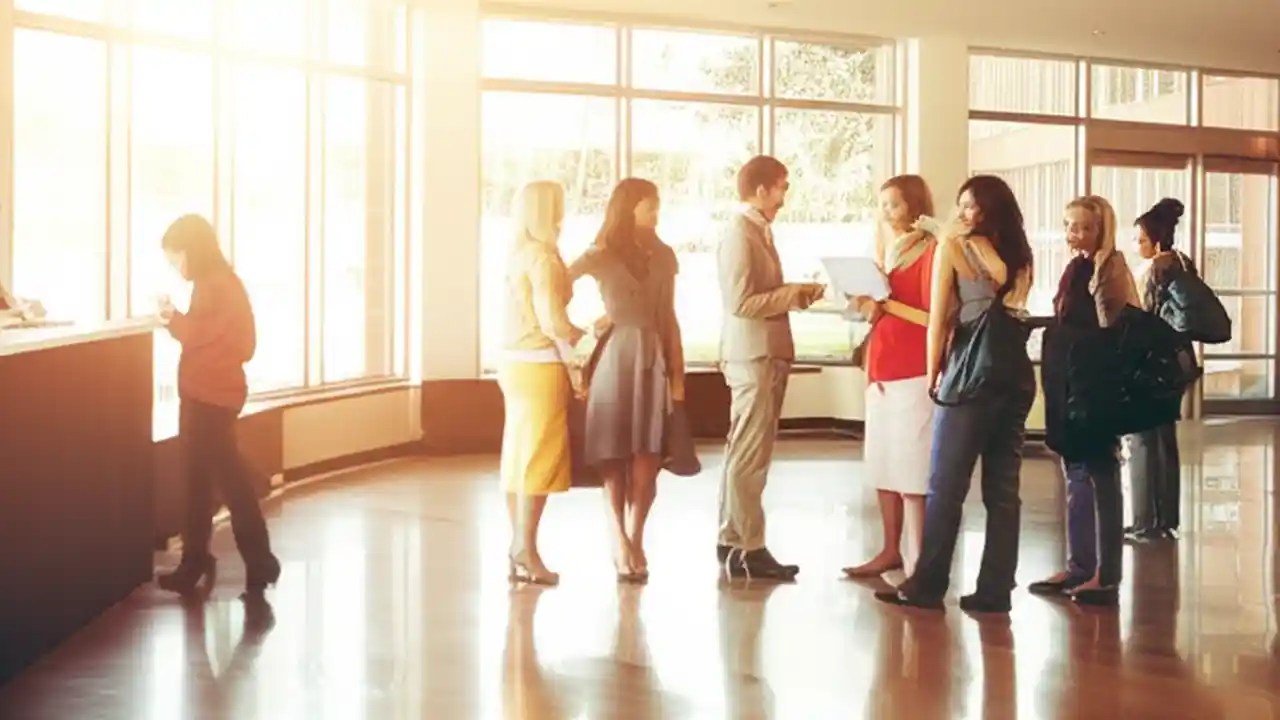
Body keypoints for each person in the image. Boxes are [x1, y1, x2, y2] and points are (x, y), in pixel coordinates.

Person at [875, 175, 1035, 613]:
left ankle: (986, 588)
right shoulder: (953, 248)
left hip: (989, 375)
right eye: (961, 206)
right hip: (978, 369)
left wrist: (971, 241)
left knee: (971, 485)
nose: (964, 215)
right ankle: (935, 582)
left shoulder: (1009, 254)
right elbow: (939, 318)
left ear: (992, 211)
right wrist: (932, 372)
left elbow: (1002, 282)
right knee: (957, 484)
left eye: (973, 207)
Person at [568, 178, 688, 583]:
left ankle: (636, 538)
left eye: (657, 206)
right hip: (614, 354)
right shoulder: (600, 254)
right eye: (650, 206)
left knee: (648, 453)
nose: (656, 213)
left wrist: (678, 374)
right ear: (629, 207)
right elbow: (557, 284)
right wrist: (587, 327)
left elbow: (669, 315)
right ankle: (618, 538)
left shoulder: (665, 256)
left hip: (651, 354)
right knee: (612, 452)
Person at [155, 214, 281, 598]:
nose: (176, 267)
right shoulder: (226, 284)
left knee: (226, 483)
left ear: (192, 250)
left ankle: (254, 560)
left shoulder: (214, 286)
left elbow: (199, 335)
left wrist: (172, 318)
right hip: (214, 396)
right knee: (202, 481)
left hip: (207, 397)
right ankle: (200, 561)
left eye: (176, 257)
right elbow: (241, 343)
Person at [716, 155, 825, 580]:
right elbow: (741, 303)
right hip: (753, 356)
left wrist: (792, 293)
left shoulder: (756, 231)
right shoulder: (740, 233)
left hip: (762, 354)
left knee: (743, 451)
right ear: (760, 189)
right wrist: (792, 293)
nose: (784, 197)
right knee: (750, 455)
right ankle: (749, 547)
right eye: (781, 187)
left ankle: (732, 538)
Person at [1031, 195, 1140, 607]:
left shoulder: (1109, 269)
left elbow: (1114, 329)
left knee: (1101, 475)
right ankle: (1079, 566)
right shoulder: (1075, 268)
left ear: (1101, 229)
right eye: (1069, 226)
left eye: (1083, 227)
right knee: (1074, 475)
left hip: (1094, 388)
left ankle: (1105, 575)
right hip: (1067, 385)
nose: (1074, 234)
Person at [841, 175, 938, 581]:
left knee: (911, 469)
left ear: (915, 206)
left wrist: (886, 305)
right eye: (882, 204)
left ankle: (919, 560)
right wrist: (866, 303)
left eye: (894, 204)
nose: (887, 212)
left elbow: (935, 316)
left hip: (914, 367)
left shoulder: (932, 252)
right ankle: (889, 549)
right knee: (882, 465)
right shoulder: (890, 254)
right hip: (881, 368)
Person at [498, 181, 585, 586]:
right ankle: (526, 548)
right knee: (539, 457)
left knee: (517, 456)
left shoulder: (518, 255)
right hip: (539, 368)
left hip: (512, 365)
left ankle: (519, 544)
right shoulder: (545, 260)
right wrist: (580, 340)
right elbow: (552, 323)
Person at [1128, 198, 1191, 540]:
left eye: (1139, 239)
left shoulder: (1154, 269)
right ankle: (1165, 518)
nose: (1137, 246)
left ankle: (1144, 521)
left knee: (1143, 440)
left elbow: (1140, 316)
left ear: (1155, 241)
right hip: (1177, 363)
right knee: (1165, 441)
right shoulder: (1182, 264)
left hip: (1151, 363)